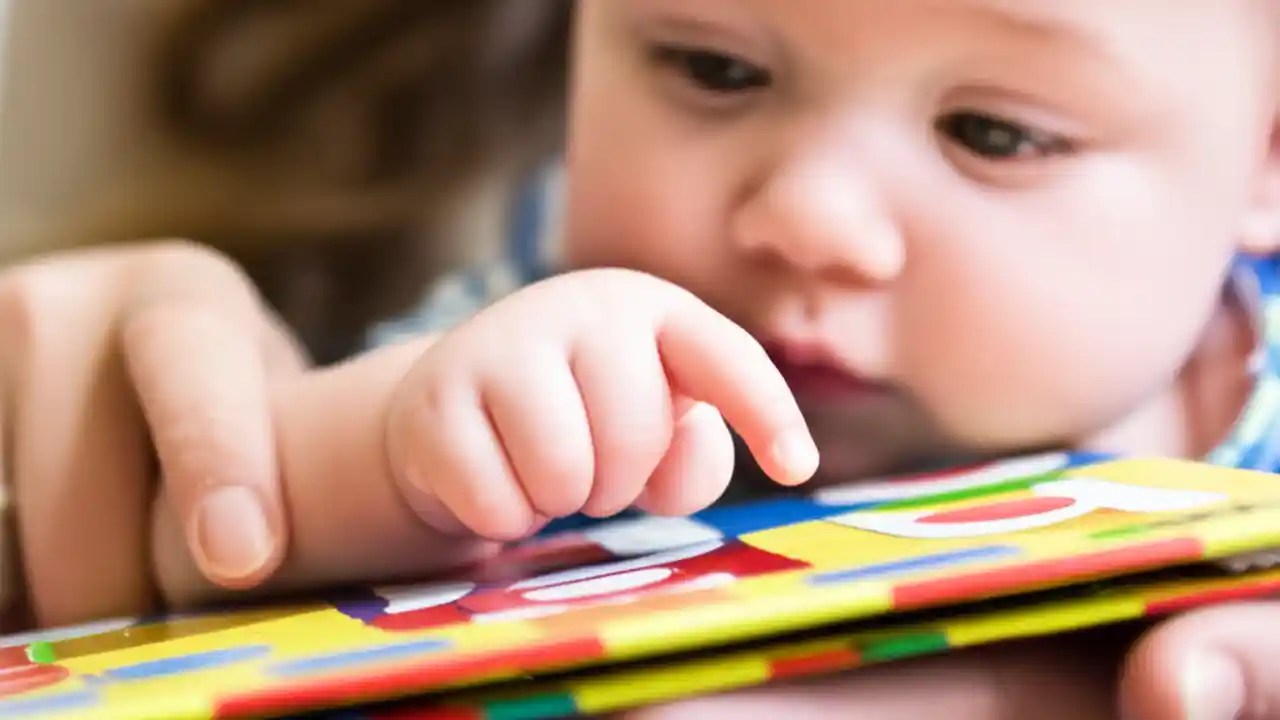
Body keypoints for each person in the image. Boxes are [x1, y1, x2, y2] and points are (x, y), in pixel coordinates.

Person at [0, 1, 1277, 718]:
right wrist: (412, 448)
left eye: (992, 132)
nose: (805, 214)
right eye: (710, 67)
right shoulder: (554, 322)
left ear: (1265, 160)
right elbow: (213, 532)